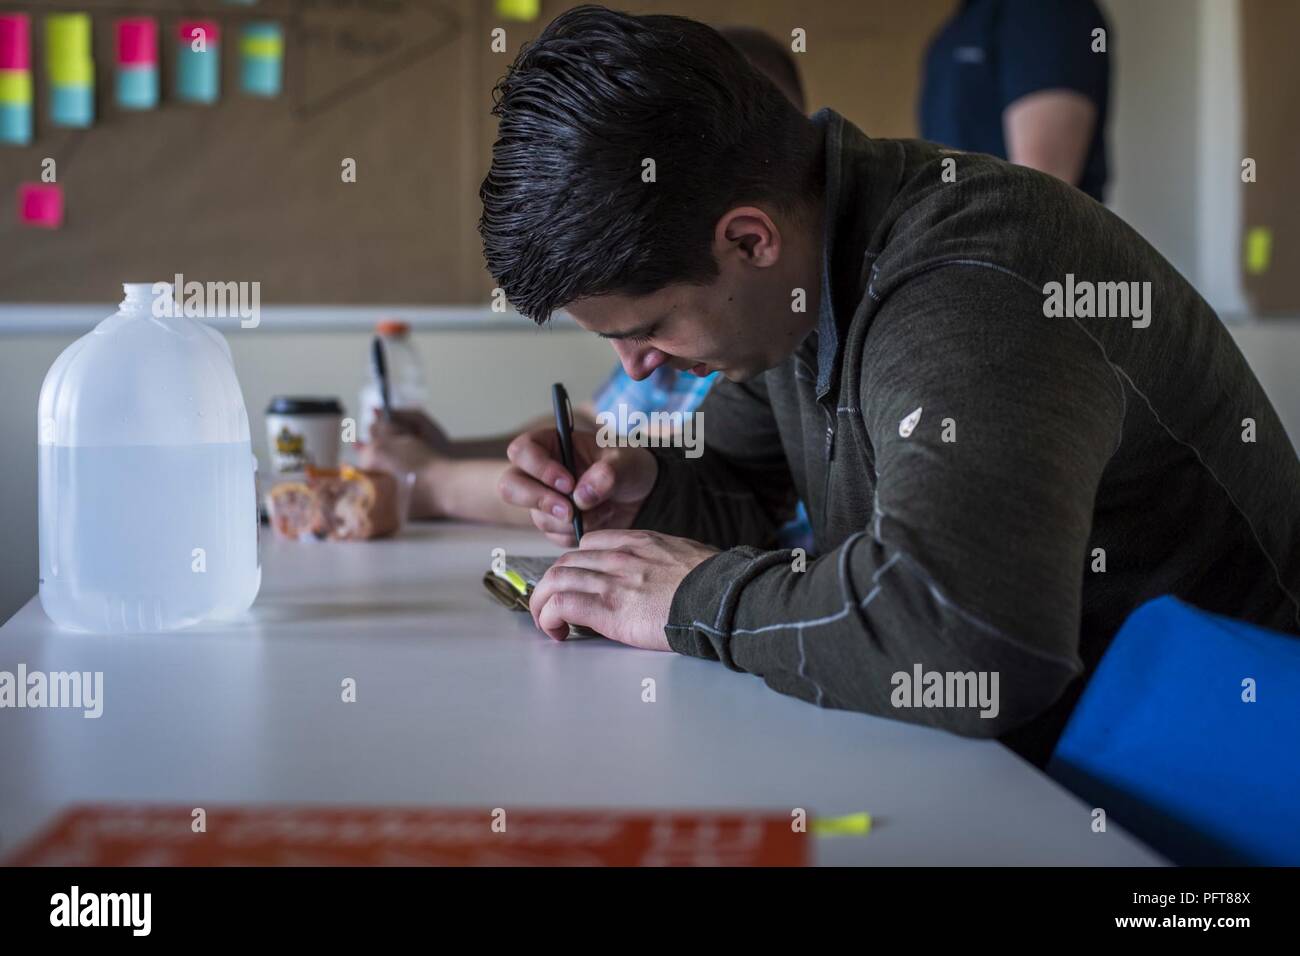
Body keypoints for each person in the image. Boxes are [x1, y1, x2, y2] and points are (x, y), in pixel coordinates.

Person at [483, 6, 1300, 766]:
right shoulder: (806, 280)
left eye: (647, 327)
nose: (638, 366)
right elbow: (740, 484)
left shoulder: (972, 284)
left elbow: (971, 639)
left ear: (748, 240)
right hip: (1025, 762)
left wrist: (694, 600)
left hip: (1214, 781)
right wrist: (645, 488)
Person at [362, 24, 811, 547]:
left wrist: (431, 480)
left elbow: (656, 467)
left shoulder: (748, 325)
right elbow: (601, 434)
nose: (637, 363)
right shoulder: (692, 306)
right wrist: (454, 450)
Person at [919, 0, 1110, 200]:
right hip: (955, 226)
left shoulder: (1046, 9)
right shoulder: (959, 25)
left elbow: (1040, 195)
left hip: (1006, 228)